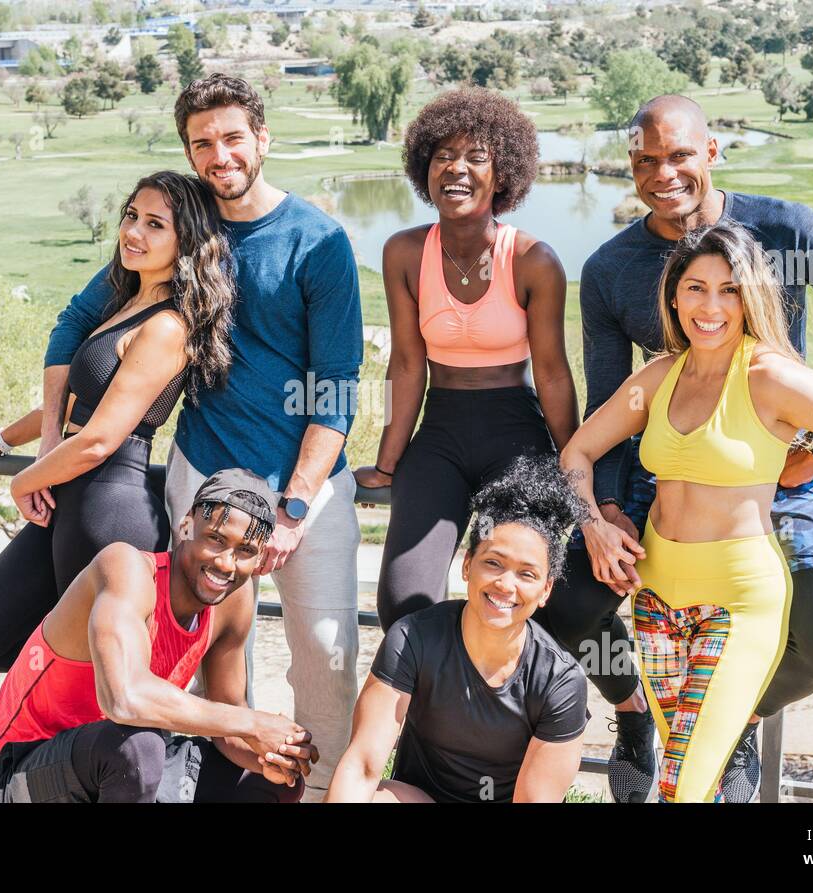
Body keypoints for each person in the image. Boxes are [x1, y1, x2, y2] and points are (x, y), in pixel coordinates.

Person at [548, 94, 813, 802]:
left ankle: (736, 716)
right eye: (648, 159)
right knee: (561, 606)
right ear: (630, 165)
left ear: (712, 153)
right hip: (656, 468)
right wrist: (602, 513)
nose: (665, 172)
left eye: (681, 154)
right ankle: (634, 718)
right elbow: (607, 410)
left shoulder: (788, 230)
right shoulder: (608, 269)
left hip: (773, 465)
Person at [40, 74, 364, 794]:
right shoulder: (183, 229)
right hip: (200, 479)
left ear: (262, 139)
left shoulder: (318, 241)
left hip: (301, 494)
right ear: (189, 150)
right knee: (208, 659)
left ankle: (319, 793)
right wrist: (40, 444)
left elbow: (337, 384)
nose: (220, 155)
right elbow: (75, 320)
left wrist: (297, 503)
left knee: (325, 657)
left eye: (232, 138)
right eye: (202, 143)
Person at [0, 172, 236, 674]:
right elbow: (82, 409)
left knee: (97, 673)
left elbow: (100, 439)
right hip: (69, 494)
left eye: (154, 225)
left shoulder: (168, 325)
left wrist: (25, 480)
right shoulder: (126, 305)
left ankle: (96, 750)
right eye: (130, 217)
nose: (133, 233)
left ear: (185, 241)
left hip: (106, 505)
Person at [352, 87, 579, 632]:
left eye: (476, 157)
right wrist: (387, 463)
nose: (456, 169)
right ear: (423, 170)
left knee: (509, 592)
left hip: (517, 438)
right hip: (440, 436)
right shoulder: (404, 253)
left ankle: (507, 710)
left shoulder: (532, 260)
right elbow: (407, 363)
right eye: (443, 157)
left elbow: (551, 371)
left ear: (502, 175)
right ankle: (428, 711)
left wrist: (576, 464)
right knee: (405, 601)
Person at [0, 469, 318, 803]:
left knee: (271, 782)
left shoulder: (234, 601)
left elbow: (229, 723)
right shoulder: (126, 567)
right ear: (186, 526)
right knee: (139, 746)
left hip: (112, 769)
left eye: (246, 551)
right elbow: (124, 699)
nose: (226, 563)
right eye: (216, 540)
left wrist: (269, 752)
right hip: (6, 777)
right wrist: (254, 723)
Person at [327, 454, 589, 803]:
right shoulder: (411, 638)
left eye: (527, 574)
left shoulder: (560, 680)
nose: (506, 585)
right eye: (493, 563)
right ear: (467, 566)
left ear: (546, 590)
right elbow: (361, 767)